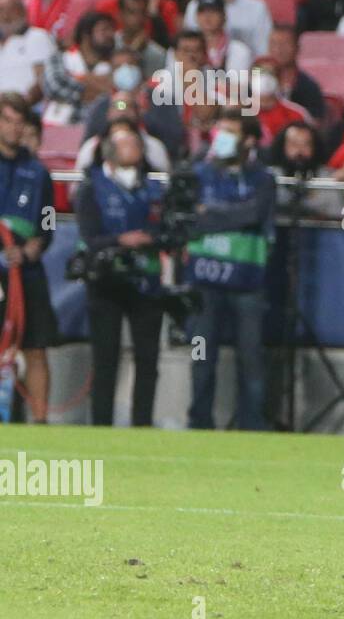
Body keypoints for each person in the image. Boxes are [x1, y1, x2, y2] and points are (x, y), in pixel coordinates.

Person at [186, 108, 276, 431]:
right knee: (201, 357)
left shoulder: (264, 180)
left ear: (249, 140)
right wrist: (228, 214)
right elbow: (191, 218)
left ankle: (253, 426)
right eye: (219, 130)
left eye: (231, 132)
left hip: (247, 281)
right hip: (203, 279)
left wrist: (211, 213)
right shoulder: (199, 173)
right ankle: (199, 423)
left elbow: (254, 214)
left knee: (250, 359)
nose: (221, 138)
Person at [75, 124, 166, 426]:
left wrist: (155, 238)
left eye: (135, 143)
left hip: (146, 280)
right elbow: (89, 237)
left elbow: (167, 230)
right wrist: (121, 240)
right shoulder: (91, 188)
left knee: (148, 358)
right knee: (106, 358)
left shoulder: (154, 189)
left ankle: (142, 424)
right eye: (126, 143)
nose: (134, 148)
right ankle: (101, 424)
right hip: (106, 280)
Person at [0, 97, 56, 422]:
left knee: (35, 348)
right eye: (7, 120)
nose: (14, 128)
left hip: (27, 272)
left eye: (19, 122)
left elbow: (48, 222)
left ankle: (40, 422)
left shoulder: (37, 172)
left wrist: (33, 248)